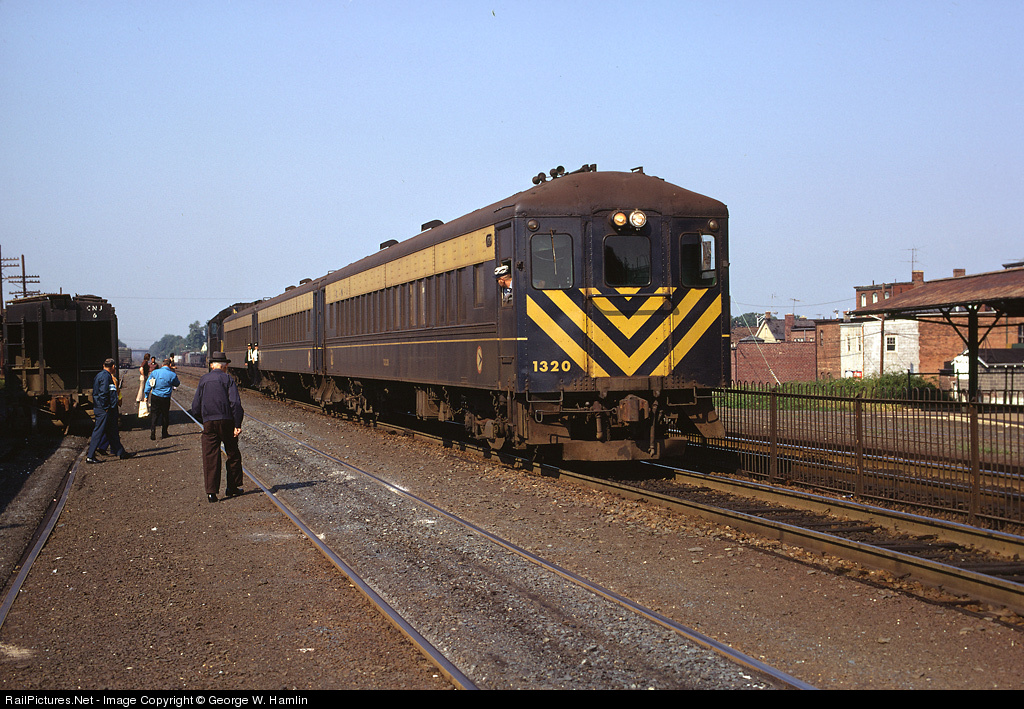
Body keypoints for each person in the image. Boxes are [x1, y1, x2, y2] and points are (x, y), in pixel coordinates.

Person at [190, 351, 244, 503]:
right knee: (233, 454)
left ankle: (211, 493)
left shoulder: (204, 380)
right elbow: (235, 403)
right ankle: (232, 488)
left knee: (210, 457)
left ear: (212, 365)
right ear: (225, 365)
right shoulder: (228, 379)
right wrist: (237, 424)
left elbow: (195, 407)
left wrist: (205, 420)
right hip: (227, 421)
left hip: (209, 423)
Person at [86, 358, 134, 464]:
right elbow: (103, 393)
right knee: (98, 432)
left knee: (112, 432)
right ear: (112, 367)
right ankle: (90, 456)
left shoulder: (100, 375)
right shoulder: (106, 377)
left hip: (103, 409)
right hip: (104, 410)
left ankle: (121, 453)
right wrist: (106, 407)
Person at [144, 358, 181, 440]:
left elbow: (148, 384)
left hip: (155, 396)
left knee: (154, 414)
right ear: (170, 365)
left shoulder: (155, 372)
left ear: (162, 365)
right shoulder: (172, 374)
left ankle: (153, 432)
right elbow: (177, 384)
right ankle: (164, 433)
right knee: (165, 415)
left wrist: (146, 395)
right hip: (165, 397)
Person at [135, 353, 151, 428]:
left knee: (142, 387)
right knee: (142, 388)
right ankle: (139, 398)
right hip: (142, 376)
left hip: (143, 376)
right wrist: (143, 375)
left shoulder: (145, 362)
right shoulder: (144, 362)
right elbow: (141, 368)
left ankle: (139, 398)